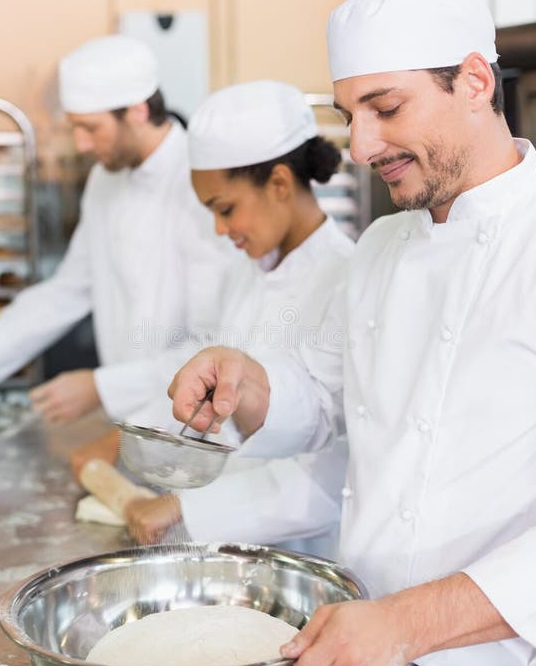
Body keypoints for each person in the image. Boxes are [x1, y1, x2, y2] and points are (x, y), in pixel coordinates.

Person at [168, 0, 536, 666]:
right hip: (363, 662)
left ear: (475, 82)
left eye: (387, 108)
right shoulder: (381, 249)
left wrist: (409, 623)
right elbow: (334, 402)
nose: (362, 147)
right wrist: (248, 380)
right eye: (350, 116)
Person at [75, 80, 354, 557]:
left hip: (299, 553)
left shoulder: (347, 281)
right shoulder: (249, 271)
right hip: (227, 545)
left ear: (281, 183)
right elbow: (209, 383)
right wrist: (133, 437)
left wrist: (187, 510)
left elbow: (331, 476)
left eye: (226, 209)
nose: (220, 230)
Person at [0, 35, 233, 423]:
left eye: (91, 128)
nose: (80, 145)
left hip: (193, 421)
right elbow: (70, 288)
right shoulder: (105, 179)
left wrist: (103, 388)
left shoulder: (202, 185)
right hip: (127, 416)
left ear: (138, 112)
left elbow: (217, 340)